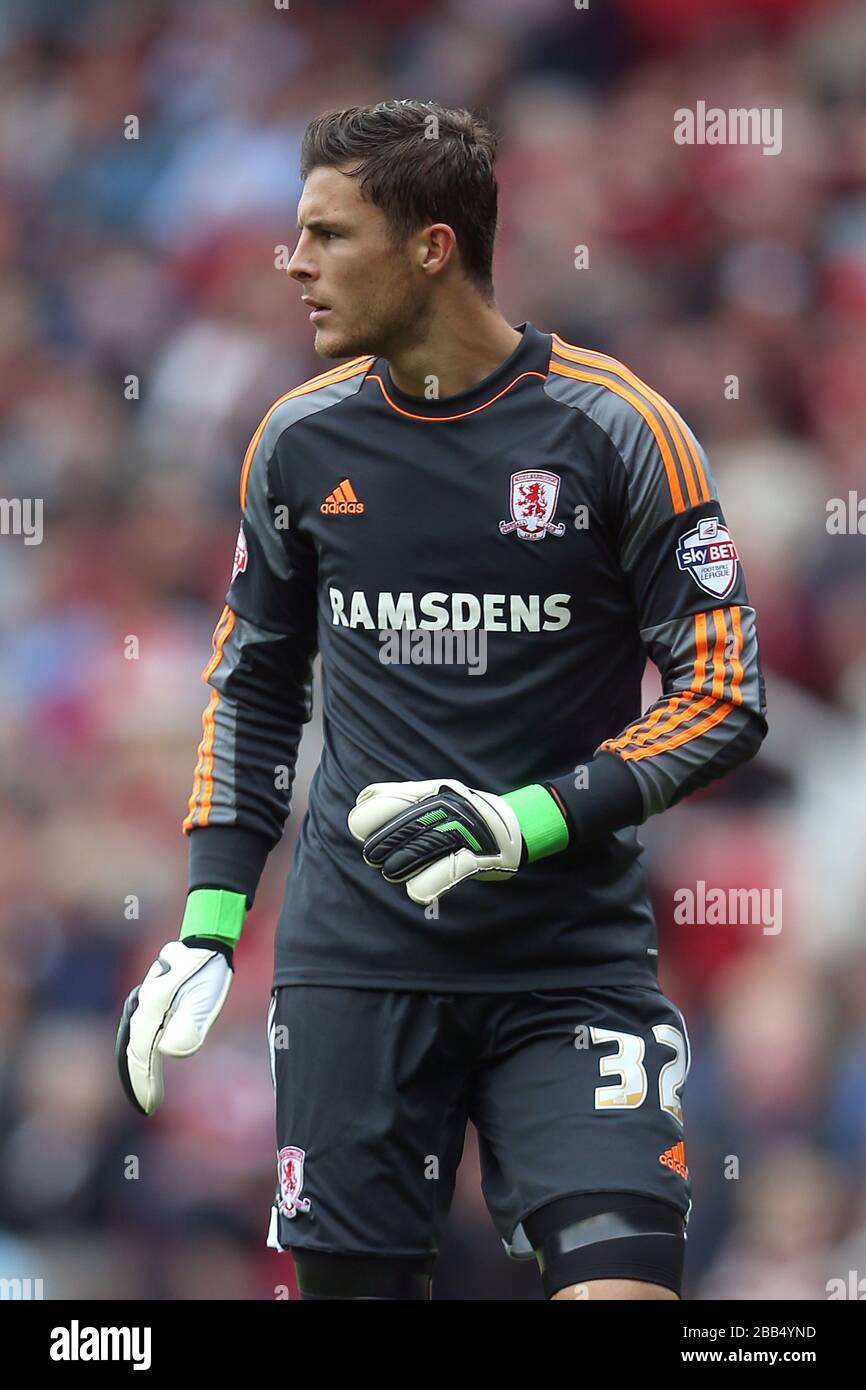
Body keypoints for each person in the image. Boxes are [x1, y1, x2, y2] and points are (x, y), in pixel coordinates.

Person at [116, 99, 767, 1301]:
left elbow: (724, 694)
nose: (293, 264)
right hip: (353, 968)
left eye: (326, 235)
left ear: (429, 245)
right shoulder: (298, 443)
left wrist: (517, 821)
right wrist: (208, 924)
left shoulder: (620, 428)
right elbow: (255, 686)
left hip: (565, 963)